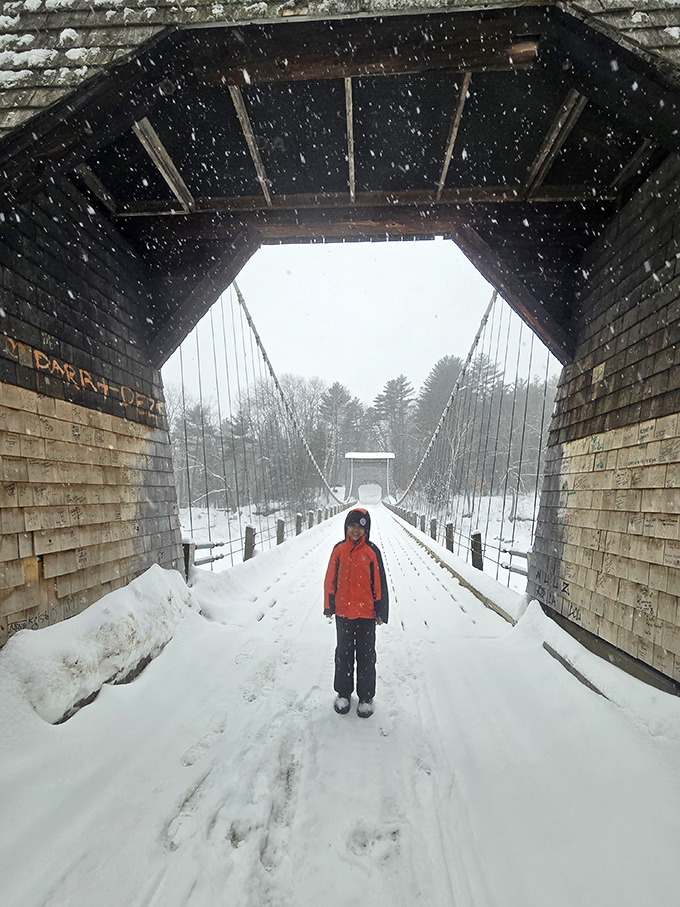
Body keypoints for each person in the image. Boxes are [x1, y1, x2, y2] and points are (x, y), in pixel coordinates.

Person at [323, 507, 389, 718]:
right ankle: (343, 693)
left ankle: (366, 697)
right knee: (343, 654)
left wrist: (380, 611)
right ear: (346, 527)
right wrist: (329, 605)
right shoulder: (338, 550)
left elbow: (380, 583)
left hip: (366, 614)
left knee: (366, 655)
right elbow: (330, 579)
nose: (355, 530)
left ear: (366, 528)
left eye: (359, 527)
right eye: (351, 526)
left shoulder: (372, 552)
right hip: (343, 613)